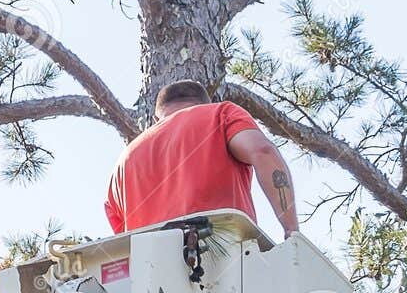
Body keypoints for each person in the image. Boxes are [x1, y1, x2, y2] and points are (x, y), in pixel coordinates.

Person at [104, 80, 299, 239]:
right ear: (205, 103)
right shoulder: (220, 114)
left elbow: (124, 244)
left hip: (153, 278)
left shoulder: (123, 162)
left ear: (156, 119)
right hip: (227, 260)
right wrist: (291, 230)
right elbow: (263, 151)